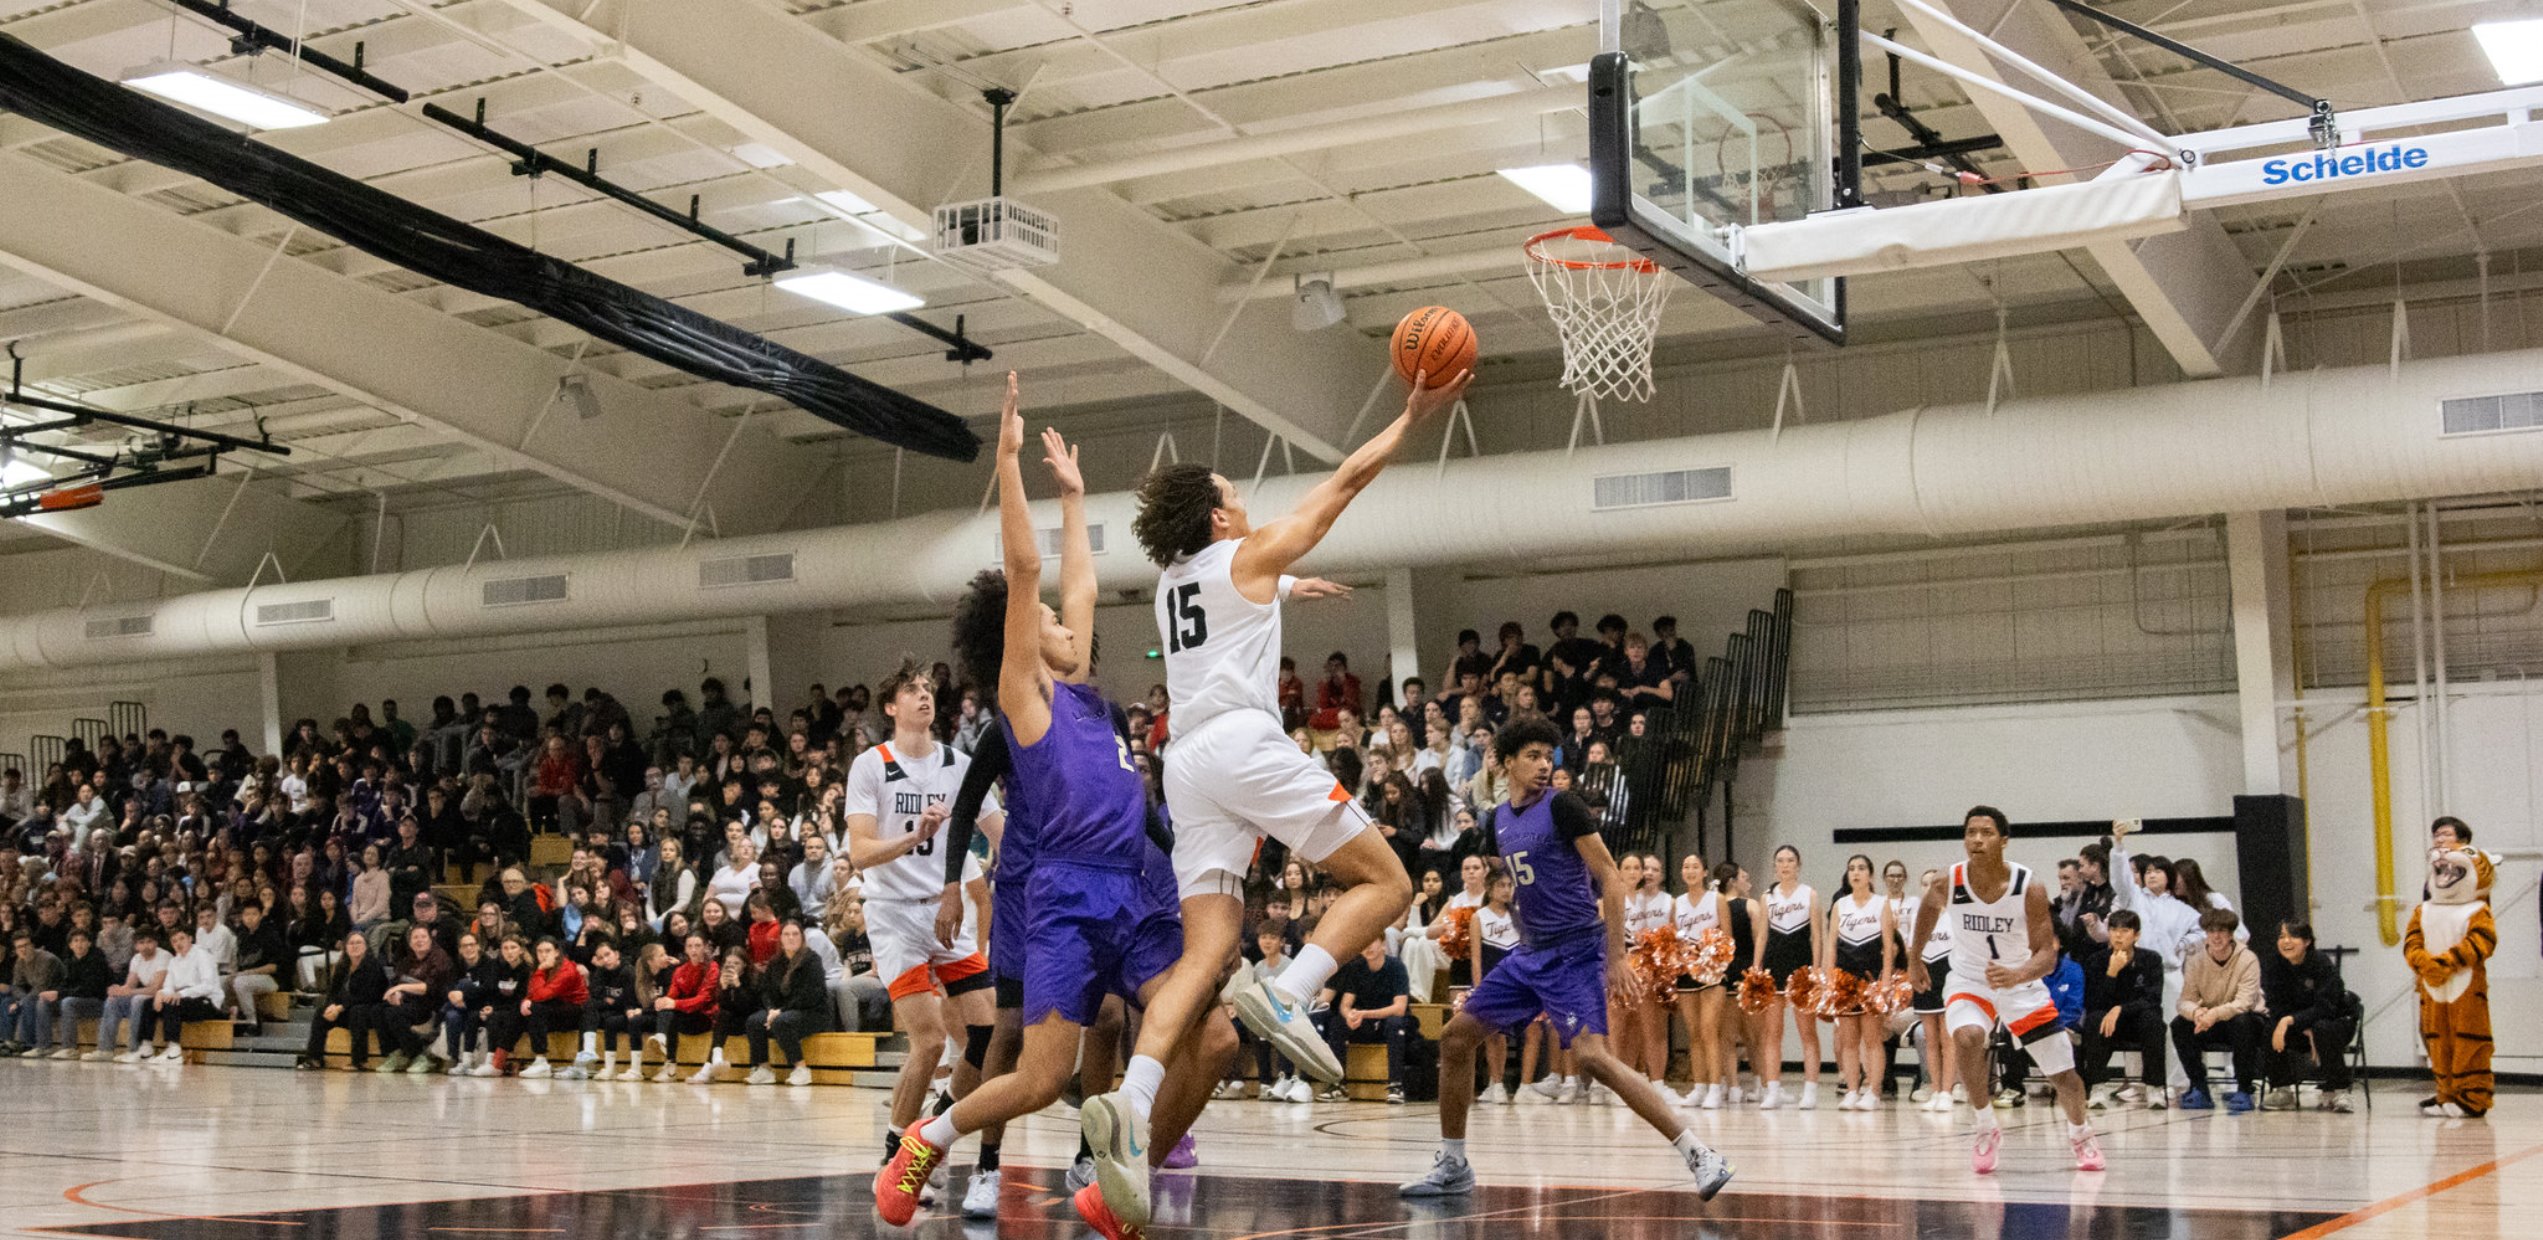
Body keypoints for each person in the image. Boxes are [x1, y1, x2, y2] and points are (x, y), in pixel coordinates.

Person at [1097, 362, 1467, 1176]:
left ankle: (1132, 1099)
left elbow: (1229, 598)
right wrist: (1410, 417)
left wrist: (1289, 586)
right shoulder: (1246, 554)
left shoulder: (1169, 583)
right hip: (1242, 743)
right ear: (1217, 516)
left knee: (1204, 956)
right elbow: (1344, 482)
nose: (1246, 505)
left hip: (1186, 763)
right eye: (1235, 496)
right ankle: (1289, 990)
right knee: (1389, 884)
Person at [887, 386, 1233, 1233]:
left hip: (1133, 891)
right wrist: (1008, 465)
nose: (1066, 625)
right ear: (1017, 637)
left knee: (1216, 1038)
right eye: (1046, 622)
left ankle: (1120, 1187)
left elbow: (1077, 583)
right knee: (1041, 1079)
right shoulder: (1025, 698)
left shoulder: (1081, 692)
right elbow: (1027, 572)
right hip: (1067, 900)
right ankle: (927, 1138)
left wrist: (1076, 501)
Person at [1399, 712, 1732, 1201]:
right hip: (1529, 956)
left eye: (1547, 756)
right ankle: (1453, 1164)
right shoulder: (1498, 822)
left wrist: (1615, 957)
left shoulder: (1563, 806)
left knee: (1593, 1058)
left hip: (1575, 953)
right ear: (1505, 763)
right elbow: (1523, 885)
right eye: (1531, 756)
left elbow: (1611, 877)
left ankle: (1700, 1154)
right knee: (1454, 1039)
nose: (1543, 765)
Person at [845, 655, 999, 1170]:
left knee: (988, 1035)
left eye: (928, 688)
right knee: (930, 1042)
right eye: (912, 689)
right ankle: (895, 1155)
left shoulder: (958, 763)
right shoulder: (871, 765)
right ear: (891, 707)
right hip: (894, 916)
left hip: (946, 914)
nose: (924, 695)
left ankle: (933, 1125)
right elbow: (860, 852)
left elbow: (1001, 833)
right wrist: (915, 836)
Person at [1907, 807, 2101, 1174]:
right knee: (1966, 1036)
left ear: (2004, 840)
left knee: (2063, 1073)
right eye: (1971, 832)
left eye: (1986, 832)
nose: (1977, 839)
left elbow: (2047, 954)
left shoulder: (2028, 886)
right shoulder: (1949, 880)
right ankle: (1985, 1125)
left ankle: (2081, 1134)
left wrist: (2017, 974)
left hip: (2019, 981)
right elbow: (1928, 912)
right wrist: (1914, 958)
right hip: (1969, 979)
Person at [1749, 844, 1820, 1110]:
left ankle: (1810, 1090)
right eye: (1780, 860)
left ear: (1798, 865)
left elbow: (1817, 936)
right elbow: (1762, 936)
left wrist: (1816, 969)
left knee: (1807, 1032)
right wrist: (1756, 967)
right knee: (1772, 1032)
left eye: (1790, 860)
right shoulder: (1767, 897)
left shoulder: (1809, 894)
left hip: (1801, 967)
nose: (1785, 865)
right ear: (1774, 866)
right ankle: (1773, 1090)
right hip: (1773, 967)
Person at [1823, 853, 1895, 1111]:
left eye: (1861, 868)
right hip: (1844, 978)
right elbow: (1832, 945)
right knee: (1848, 1040)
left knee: (1872, 1039)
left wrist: (1885, 981)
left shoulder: (1881, 904)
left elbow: (1889, 946)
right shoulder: (1840, 905)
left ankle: (1873, 1092)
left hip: (1871, 978)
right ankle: (1852, 1090)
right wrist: (1829, 978)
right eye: (1852, 868)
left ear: (1870, 875)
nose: (1856, 872)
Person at [2259, 919, 2354, 1112]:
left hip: (2334, 1022)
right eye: (2282, 936)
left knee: (2323, 1027)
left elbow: (2326, 1007)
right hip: (2299, 1027)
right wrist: (2300, 1026)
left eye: (2293, 936)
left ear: (2307, 941)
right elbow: (2275, 1005)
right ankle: (2283, 1090)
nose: (2286, 941)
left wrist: (2293, 1020)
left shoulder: (2320, 962)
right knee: (2270, 1028)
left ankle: (2339, 1091)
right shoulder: (2274, 964)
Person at [2077, 909, 2166, 1110]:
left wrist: (2121, 1009)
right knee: (2094, 1019)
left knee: (2153, 1021)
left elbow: (2152, 999)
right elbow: (2094, 1001)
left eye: (2125, 930)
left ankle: (2154, 1087)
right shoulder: (2096, 960)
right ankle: (2097, 1087)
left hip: (2137, 1021)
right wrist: (2112, 973)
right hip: (2108, 1024)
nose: (2118, 935)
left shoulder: (2151, 959)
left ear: (2136, 935)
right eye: (2114, 930)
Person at [1313, 940, 1413, 1104]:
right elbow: (1345, 1005)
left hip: (1387, 1022)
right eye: (1365, 943)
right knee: (1338, 1023)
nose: (1368, 947)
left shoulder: (1396, 967)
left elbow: (1399, 1008)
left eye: (1373, 942)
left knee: (1395, 1023)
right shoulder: (1357, 967)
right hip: (1365, 1022)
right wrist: (1350, 1016)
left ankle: (1396, 1085)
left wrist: (1365, 1014)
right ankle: (1338, 1085)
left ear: (1383, 945)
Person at [1670, 855, 1732, 1109]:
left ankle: (1715, 1088)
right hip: (1686, 971)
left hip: (1713, 971)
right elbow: (1674, 939)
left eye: (1695, 867)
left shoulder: (1716, 899)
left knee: (1709, 1030)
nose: (1690, 871)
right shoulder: (1677, 903)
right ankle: (1699, 1087)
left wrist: (1713, 959)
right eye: (1685, 867)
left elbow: (1727, 937)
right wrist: (1682, 956)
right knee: (1694, 1032)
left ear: (1705, 872)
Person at [744, 920, 830, 1087]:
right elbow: (766, 991)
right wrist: (771, 1009)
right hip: (781, 1011)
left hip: (812, 1012)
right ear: (781, 938)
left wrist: (781, 1011)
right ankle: (764, 1069)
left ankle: (801, 1069)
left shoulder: (812, 960)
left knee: (782, 1022)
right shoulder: (775, 962)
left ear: (802, 937)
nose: (791, 938)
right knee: (754, 1021)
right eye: (787, 934)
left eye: (795, 934)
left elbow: (810, 995)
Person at [299, 930, 393, 1071]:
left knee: (358, 1012)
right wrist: (331, 1006)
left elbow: (368, 996)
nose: (355, 946)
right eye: (351, 943)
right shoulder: (342, 966)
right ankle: (314, 1058)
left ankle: (359, 1061)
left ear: (366, 946)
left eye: (359, 943)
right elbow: (333, 991)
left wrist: (340, 1007)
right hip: (346, 1009)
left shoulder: (373, 966)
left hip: (371, 1010)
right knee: (321, 1013)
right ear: (346, 947)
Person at [646, 933, 720, 1082]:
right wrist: (663, 1001)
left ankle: (663, 1041)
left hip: (705, 1016)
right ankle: (669, 1063)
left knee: (672, 1011)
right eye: (690, 946)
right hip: (686, 1015)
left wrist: (674, 1003)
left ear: (705, 947)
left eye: (698, 946)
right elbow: (672, 995)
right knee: (667, 1011)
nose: (694, 950)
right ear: (685, 949)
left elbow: (702, 999)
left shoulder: (712, 968)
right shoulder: (680, 970)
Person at [146, 925, 224, 1064]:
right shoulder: (174, 961)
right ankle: (145, 1049)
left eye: (181, 939)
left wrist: (181, 994)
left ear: (190, 939)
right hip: (185, 1001)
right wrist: (160, 993)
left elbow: (208, 986)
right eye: (174, 941)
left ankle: (174, 1051)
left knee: (172, 1002)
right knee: (148, 1004)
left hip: (207, 1002)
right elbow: (169, 986)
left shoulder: (202, 955)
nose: (178, 943)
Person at [96, 929, 167, 1062]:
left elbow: (156, 988)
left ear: (156, 943)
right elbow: (129, 985)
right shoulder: (136, 958)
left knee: (137, 1000)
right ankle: (105, 1049)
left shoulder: (164, 956)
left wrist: (130, 992)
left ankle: (135, 1050)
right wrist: (117, 990)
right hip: (146, 996)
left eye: (149, 942)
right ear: (136, 946)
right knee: (113, 1000)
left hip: (163, 997)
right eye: (141, 942)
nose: (145, 946)